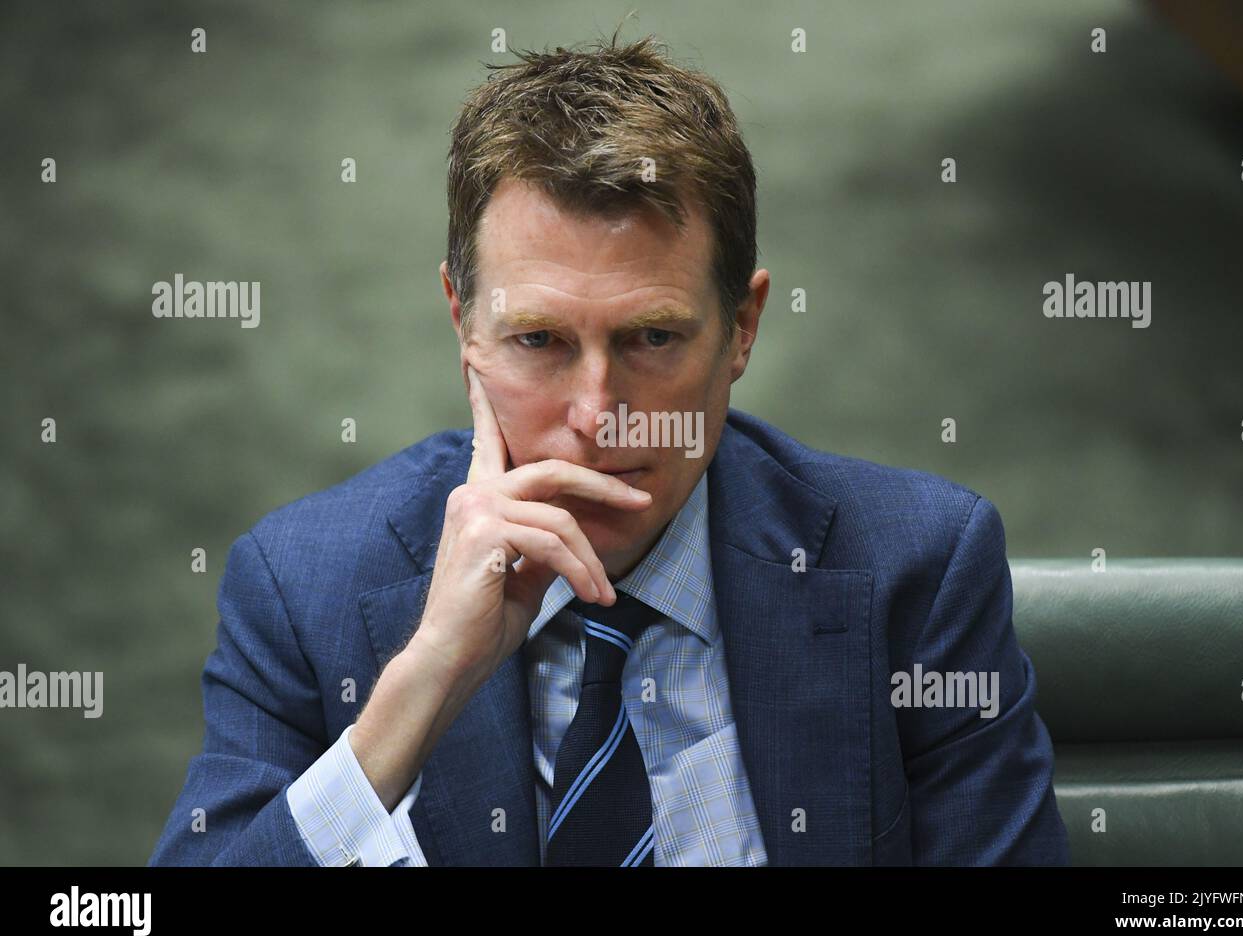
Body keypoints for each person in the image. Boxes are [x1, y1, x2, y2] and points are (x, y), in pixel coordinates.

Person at [149, 33, 1070, 866]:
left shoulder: (918, 570)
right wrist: (422, 685)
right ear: (462, 323)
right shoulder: (304, 586)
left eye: (653, 339)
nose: (599, 416)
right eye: (540, 341)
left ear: (742, 329)